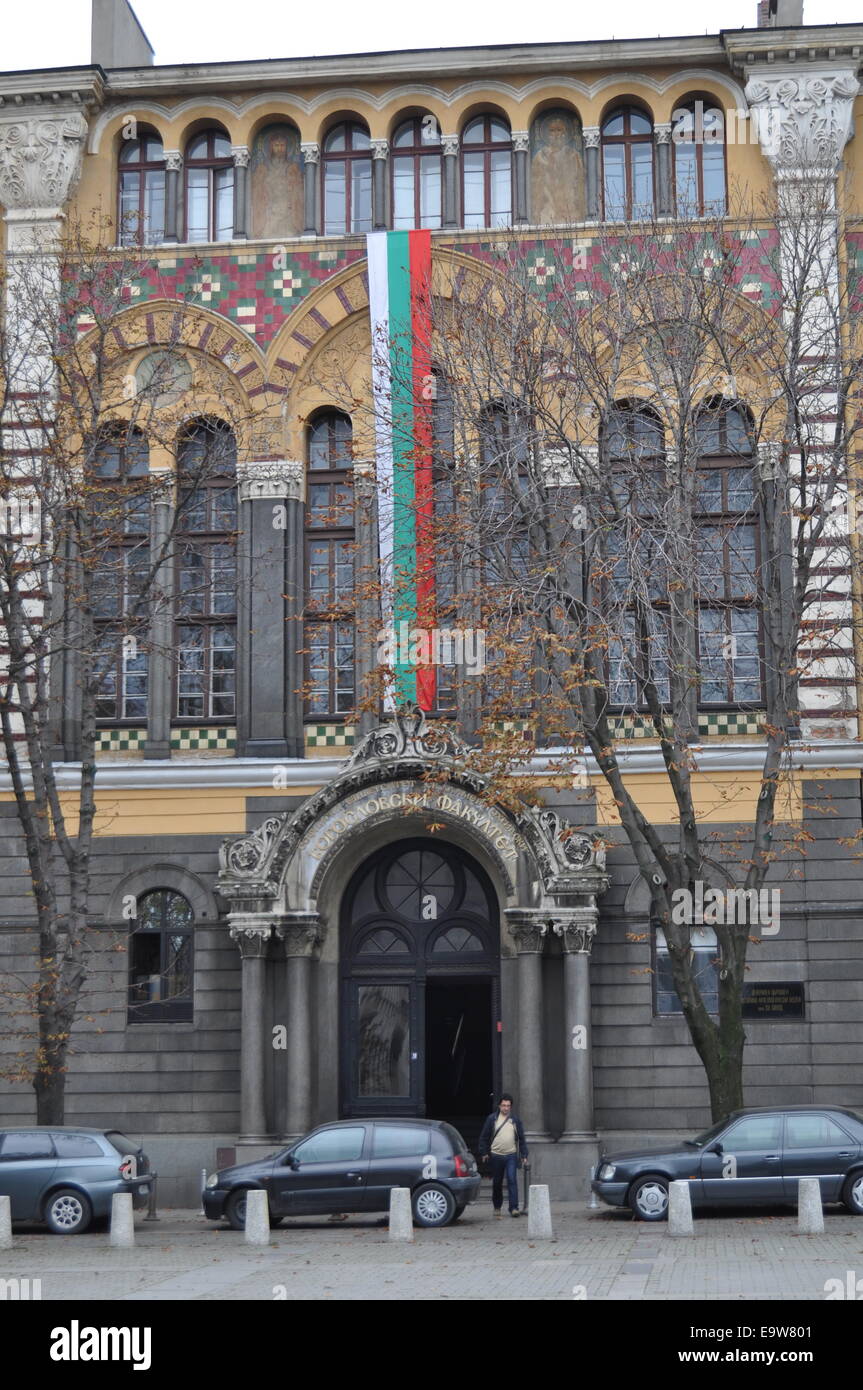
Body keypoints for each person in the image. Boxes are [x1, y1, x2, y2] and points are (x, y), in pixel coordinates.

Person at [478, 1093, 529, 1218]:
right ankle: (497, 1207)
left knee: (512, 1180)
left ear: (511, 1107)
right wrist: (484, 1152)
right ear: (499, 1106)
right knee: (497, 1183)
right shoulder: (492, 1119)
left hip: (511, 1155)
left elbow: (522, 1139)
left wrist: (524, 1154)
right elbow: (484, 1136)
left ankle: (514, 1208)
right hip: (496, 1155)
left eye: (508, 1106)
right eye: (503, 1105)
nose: (506, 1108)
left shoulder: (515, 1120)